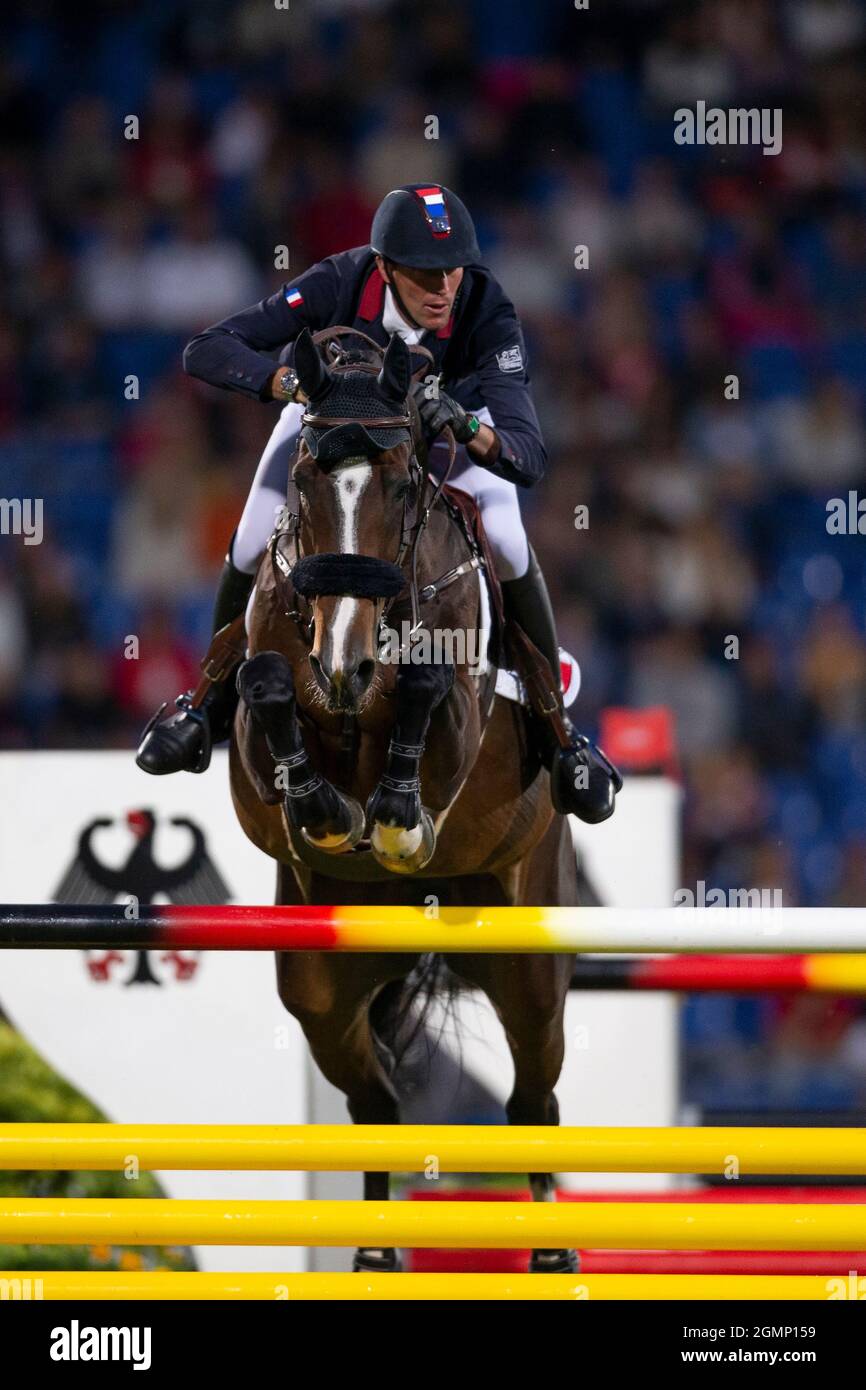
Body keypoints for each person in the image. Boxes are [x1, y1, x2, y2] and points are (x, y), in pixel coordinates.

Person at [136, 183, 620, 821]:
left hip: (446, 431)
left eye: (451, 270)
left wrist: (465, 424)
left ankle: (558, 731)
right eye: (423, 273)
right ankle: (205, 702)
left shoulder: (488, 309)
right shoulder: (339, 280)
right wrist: (288, 383)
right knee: (254, 533)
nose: (443, 288)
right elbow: (208, 349)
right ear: (386, 267)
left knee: (503, 536)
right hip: (337, 425)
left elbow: (527, 455)